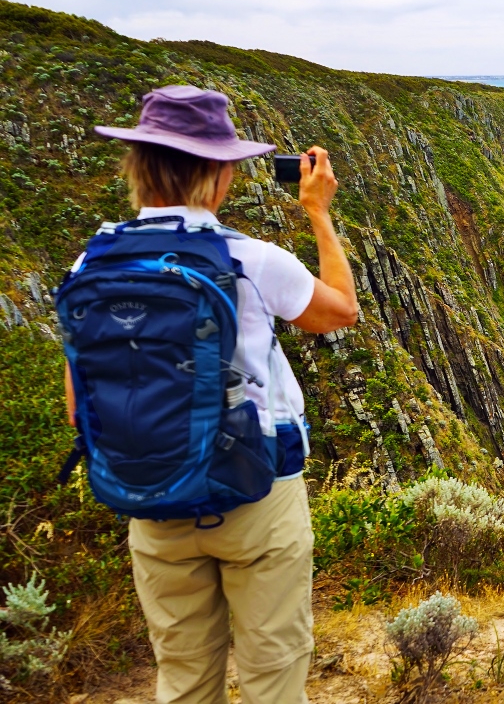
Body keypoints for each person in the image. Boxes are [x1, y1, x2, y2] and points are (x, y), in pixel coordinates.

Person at [65, 85, 358, 703]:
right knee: (271, 673)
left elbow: (79, 403)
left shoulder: (90, 266)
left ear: (137, 167)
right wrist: (319, 212)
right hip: (256, 490)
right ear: (220, 174)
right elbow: (340, 312)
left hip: (149, 496)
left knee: (182, 676)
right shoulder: (249, 260)